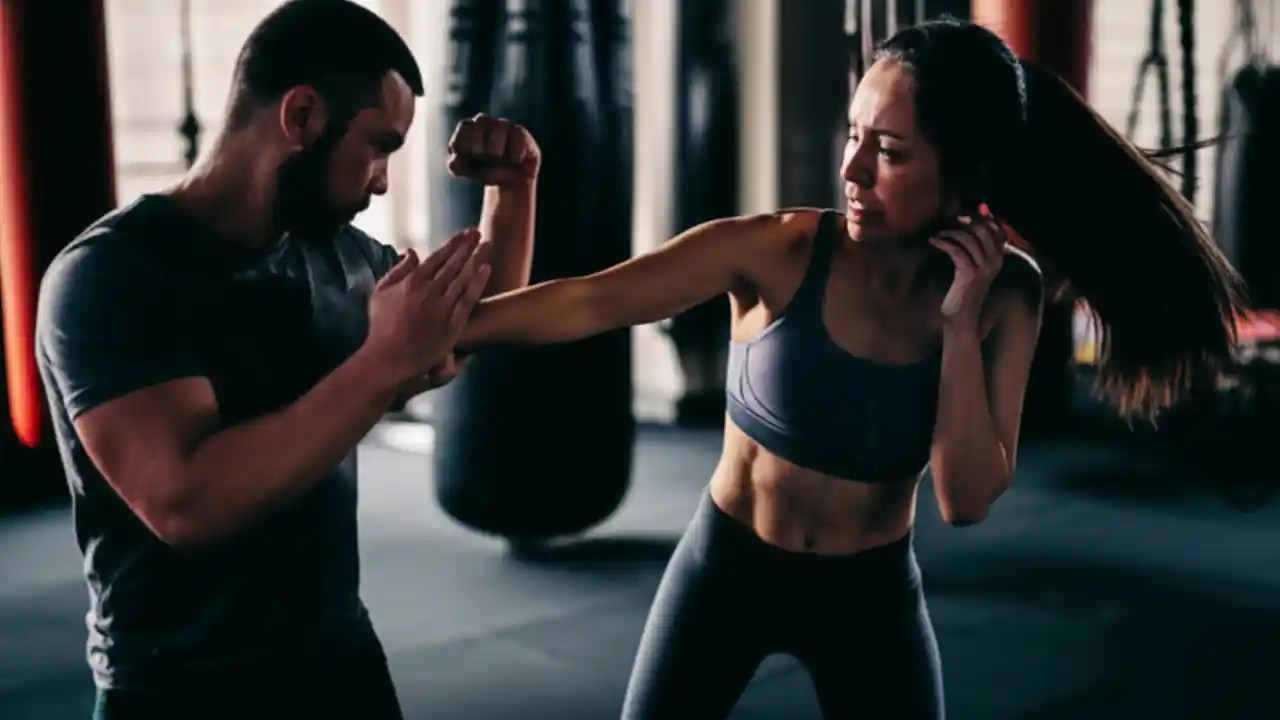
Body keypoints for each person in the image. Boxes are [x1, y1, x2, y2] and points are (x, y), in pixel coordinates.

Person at [454, 18, 1247, 720]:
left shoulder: (1006, 294)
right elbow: (588, 305)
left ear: (967, 178)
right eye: (854, 136)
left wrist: (959, 326)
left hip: (868, 596)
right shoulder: (776, 251)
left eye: (892, 152)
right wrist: (442, 333)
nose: (855, 171)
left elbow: (966, 498)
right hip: (726, 570)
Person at [34, 2, 541, 718]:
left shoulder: (334, 253)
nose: (382, 181)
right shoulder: (110, 276)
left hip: (339, 660)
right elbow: (186, 501)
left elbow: (469, 322)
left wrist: (511, 192)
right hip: (180, 688)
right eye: (378, 146)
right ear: (301, 116)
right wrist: (380, 366)